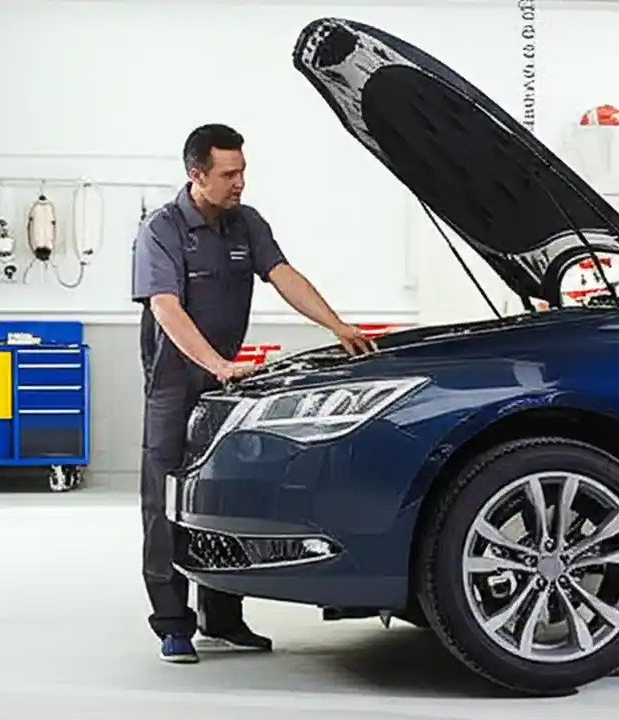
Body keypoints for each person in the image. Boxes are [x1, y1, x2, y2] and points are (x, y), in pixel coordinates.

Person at [131, 123, 376, 664]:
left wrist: (336, 326)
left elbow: (282, 274)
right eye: (228, 174)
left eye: (243, 171)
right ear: (196, 174)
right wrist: (216, 363)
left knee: (221, 496)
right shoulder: (163, 228)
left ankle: (223, 618)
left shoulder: (247, 224)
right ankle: (173, 623)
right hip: (175, 383)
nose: (240, 182)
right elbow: (166, 308)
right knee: (165, 504)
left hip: (226, 385)